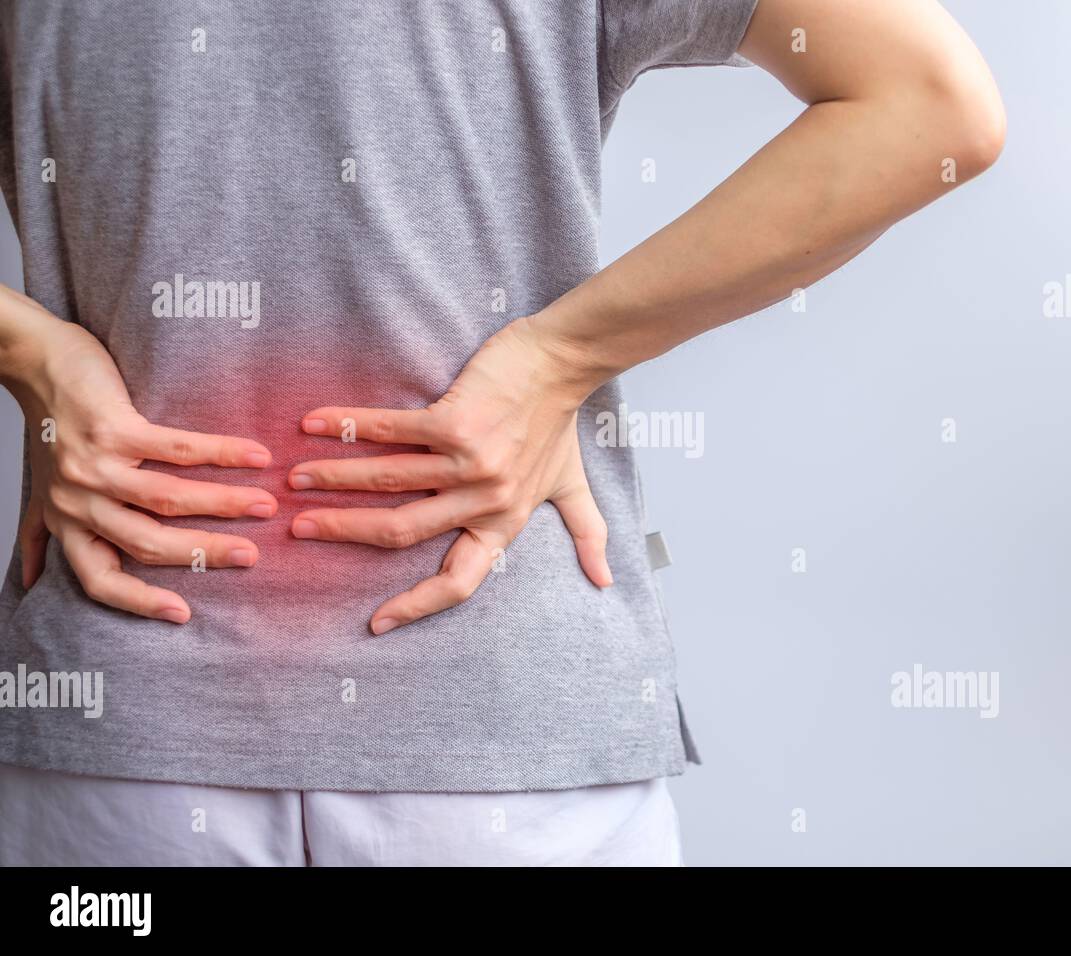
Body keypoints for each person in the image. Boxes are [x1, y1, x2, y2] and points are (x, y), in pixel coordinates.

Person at [0, 0, 1003, 865]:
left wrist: (560, 357)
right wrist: (30, 356)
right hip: (189, 730)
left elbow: (929, 108)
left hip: (157, 729)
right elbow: (929, 103)